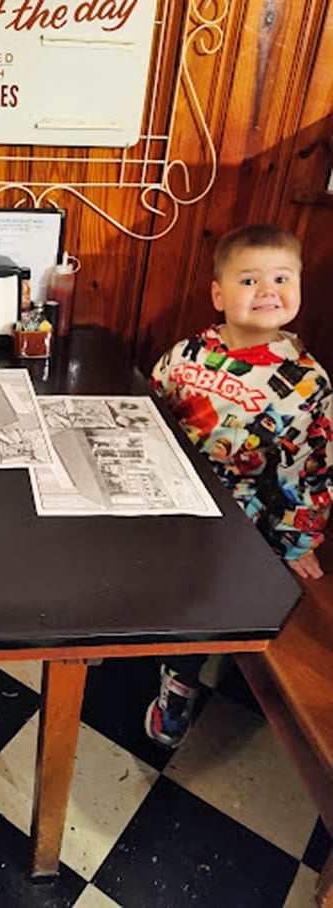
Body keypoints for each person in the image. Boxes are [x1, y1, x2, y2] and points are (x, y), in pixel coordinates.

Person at [146, 223, 333, 747]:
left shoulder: (307, 382)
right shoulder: (187, 354)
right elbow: (148, 413)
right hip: (165, 494)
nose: (268, 290)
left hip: (238, 517)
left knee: (201, 599)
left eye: (281, 277)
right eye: (249, 280)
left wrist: (298, 537)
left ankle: (179, 677)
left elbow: (313, 468)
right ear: (218, 294)